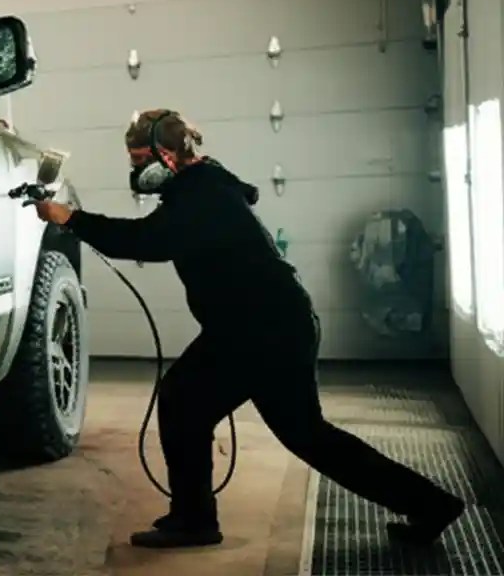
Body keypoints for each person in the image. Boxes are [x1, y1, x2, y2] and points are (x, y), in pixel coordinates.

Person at [34, 109, 464, 549]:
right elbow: (154, 233)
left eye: (139, 159)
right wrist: (75, 220)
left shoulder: (202, 196)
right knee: (300, 433)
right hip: (263, 325)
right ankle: (429, 504)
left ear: (165, 155)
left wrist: (71, 219)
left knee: (188, 403)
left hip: (261, 330)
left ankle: (194, 521)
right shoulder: (204, 185)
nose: (134, 170)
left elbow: (145, 241)